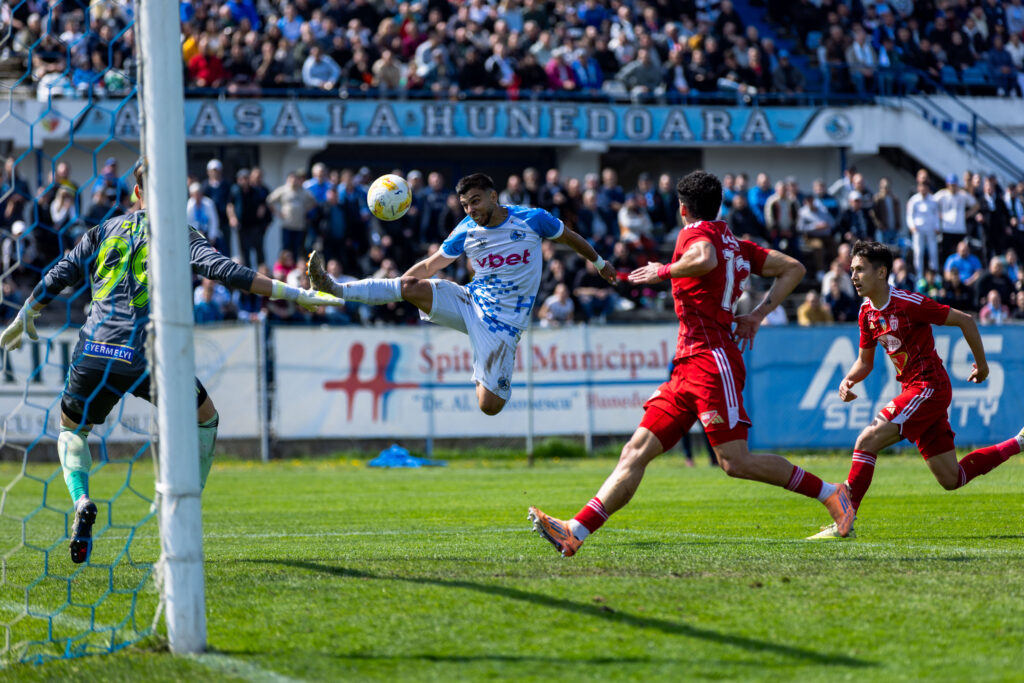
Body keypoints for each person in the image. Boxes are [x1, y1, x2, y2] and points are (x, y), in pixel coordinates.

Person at [0, 159, 344, 564]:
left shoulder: (103, 229)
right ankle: (185, 504)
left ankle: (82, 500)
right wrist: (297, 294)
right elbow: (226, 271)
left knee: (71, 430)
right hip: (147, 355)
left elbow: (61, 272)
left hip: (93, 349)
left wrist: (27, 310)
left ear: (135, 193)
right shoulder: (179, 234)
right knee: (204, 417)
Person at [527, 170, 855, 558]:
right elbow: (793, 268)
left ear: (683, 209)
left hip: (712, 360)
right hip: (688, 364)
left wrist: (662, 270)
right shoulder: (736, 242)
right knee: (636, 450)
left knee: (734, 461)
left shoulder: (695, 235)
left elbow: (704, 258)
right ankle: (574, 530)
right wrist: (757, 315)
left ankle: (832, 494)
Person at [307, 173, 616, 415]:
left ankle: (485, 365)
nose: (471, 209)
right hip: (471, 301)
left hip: (504, 324)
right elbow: (431, 265)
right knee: (410, 286)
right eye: (466, 204)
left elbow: (570, 237)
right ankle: (334, 287)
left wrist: (600, 263)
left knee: (489, 406)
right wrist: (398, 284)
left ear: (494, 197)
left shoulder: (533, 218)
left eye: (476, 201)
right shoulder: (466, 229)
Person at [808, 241, 1022, 539]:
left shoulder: (908, 302)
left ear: (881, 272)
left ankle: (845, 519)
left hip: (929, 386)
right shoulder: (866, 312)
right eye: (852, 270)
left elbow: (965, 320)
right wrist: (849, 379)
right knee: (951, 478)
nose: (853, 276)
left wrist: (982, 365)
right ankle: (1020, 442)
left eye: (860, 269)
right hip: (916, 389)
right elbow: (864, 362)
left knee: (867, 439)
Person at [906, 179, 941, 277]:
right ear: (918, 188)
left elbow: (936, 215)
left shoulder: (933, 200)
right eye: (921, 186)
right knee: (918, 253)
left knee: (933, 252)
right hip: (918, 230)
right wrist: (912, 227)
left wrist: (937, 227)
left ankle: (935, 274)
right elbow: (909, 215)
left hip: (931, 229)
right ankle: (919, 275)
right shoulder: (914, 200)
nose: (923, 188)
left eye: (925, 186)